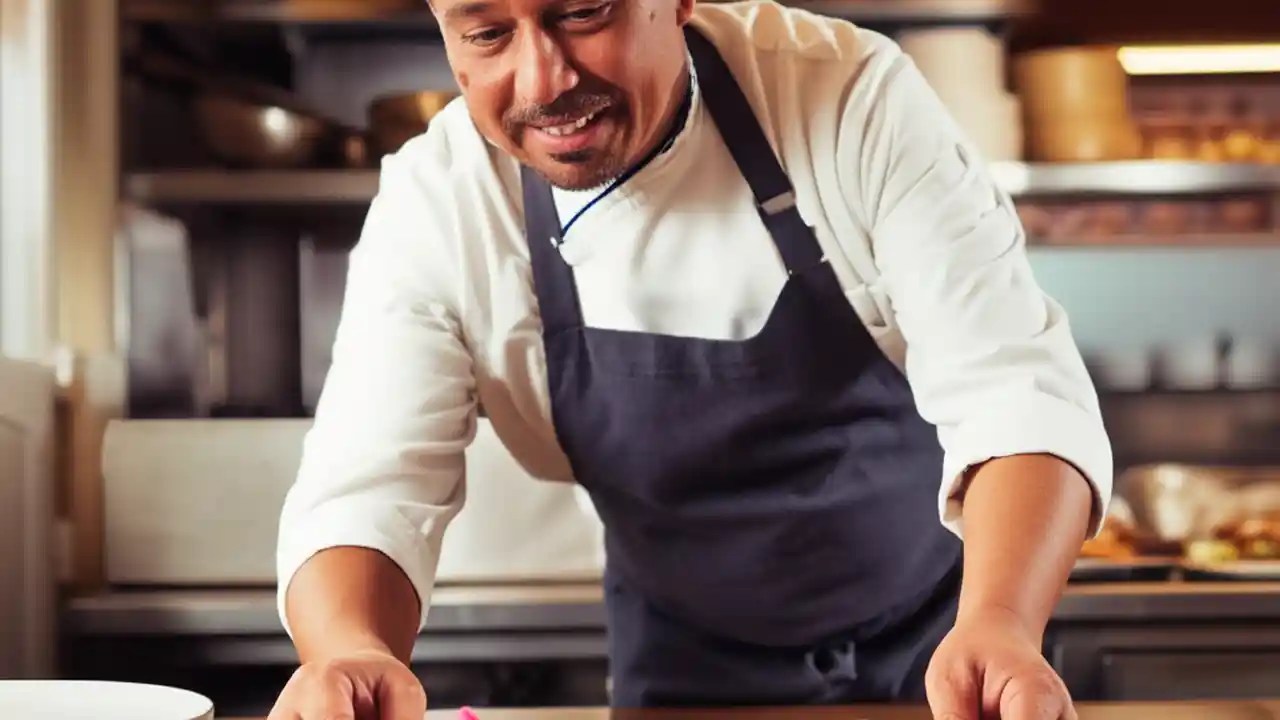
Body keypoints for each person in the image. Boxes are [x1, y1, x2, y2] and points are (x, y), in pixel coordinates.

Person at [268, 0, 1113, 717]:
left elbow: (1014, 390)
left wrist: (1002, 622)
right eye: (487, 34)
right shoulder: (442, 198)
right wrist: (347, 649)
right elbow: (370, 484)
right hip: (681, 665)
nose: (542, 81)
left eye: (583, 13)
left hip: (946, 648)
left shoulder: (845, 95)